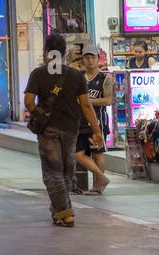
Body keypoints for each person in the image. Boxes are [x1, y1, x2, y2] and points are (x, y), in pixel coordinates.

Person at [23, 34, 104, 227]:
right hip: (70, 129)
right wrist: (97, 130)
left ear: (46, 53)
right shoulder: (76, 75)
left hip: (49, 130)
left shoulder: (38, 74)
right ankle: (60, 210)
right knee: (67, 172)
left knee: (53, 172)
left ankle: (65, 213)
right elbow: (85, 105)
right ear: (64, 53)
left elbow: (28, 101)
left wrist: (39, 114)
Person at [75, 51, 113, 196]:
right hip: (80, 120)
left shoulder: (105, 78)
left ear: (98, 59)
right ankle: (102, 179)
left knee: (97, 153)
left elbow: (108, 100)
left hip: (97, 121)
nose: (90, 60)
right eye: (87, 58)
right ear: (83, 59)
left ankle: (98, 186)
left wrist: (87, 102)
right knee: (78, 153)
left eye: (93, 57)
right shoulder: (79, 77)